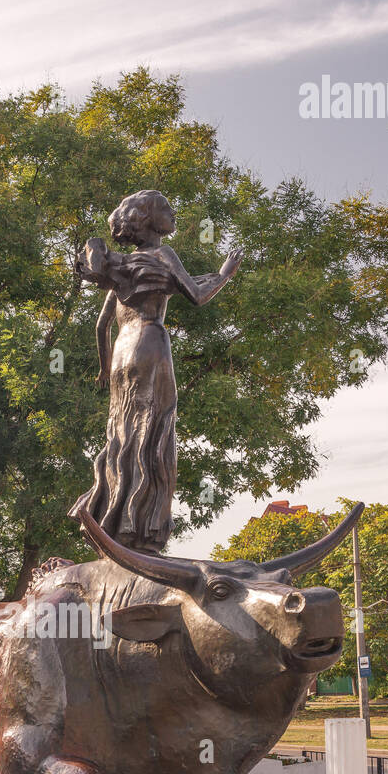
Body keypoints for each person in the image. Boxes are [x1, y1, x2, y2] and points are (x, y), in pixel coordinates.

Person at [76, 189, 242, 552]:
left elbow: (101, 326)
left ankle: (112, 520)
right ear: (148, 219)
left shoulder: (120, 269)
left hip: (122, 354)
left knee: (122, 436)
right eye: (167, 208)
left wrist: (105, 372)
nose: (174, 213)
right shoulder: (164, 255)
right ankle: (143, 530)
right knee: (154, 433)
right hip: (150, 343)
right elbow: (196, 295)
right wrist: (225, 274)